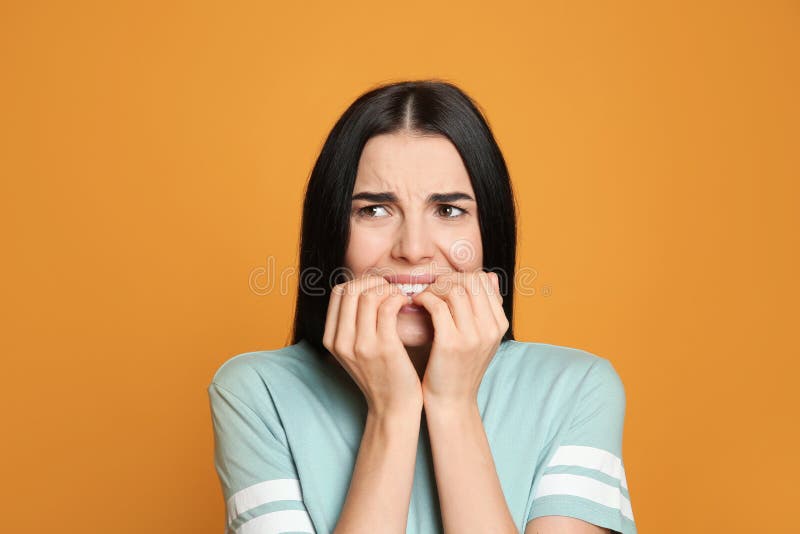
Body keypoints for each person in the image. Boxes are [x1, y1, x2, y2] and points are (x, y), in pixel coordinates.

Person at [207, 80, 636, 534]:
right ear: (331, 233)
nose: (412, 249)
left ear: (489, 234)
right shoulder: (256, 394)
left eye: (448, 211)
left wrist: (452, 405)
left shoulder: (577, 390)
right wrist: (392, 410)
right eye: (374, 210)